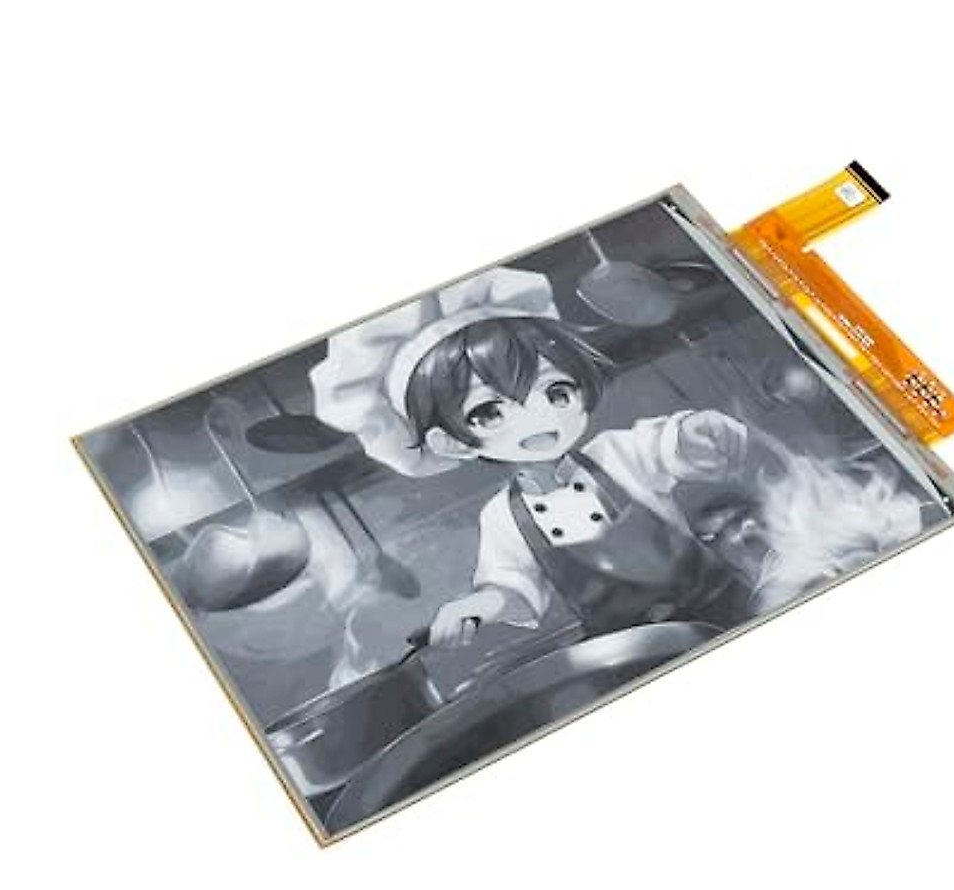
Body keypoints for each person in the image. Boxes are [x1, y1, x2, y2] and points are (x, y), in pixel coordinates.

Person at [311, 266, 752, 649]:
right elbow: (515, 588)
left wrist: (697, 432)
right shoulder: (501, 518)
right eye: (489, 412)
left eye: (556, 392)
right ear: (452, 442)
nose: (539, 417)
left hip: (733, 610)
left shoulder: (615, 453)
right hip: (638, 646)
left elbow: (665, 443)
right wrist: (481, 606)